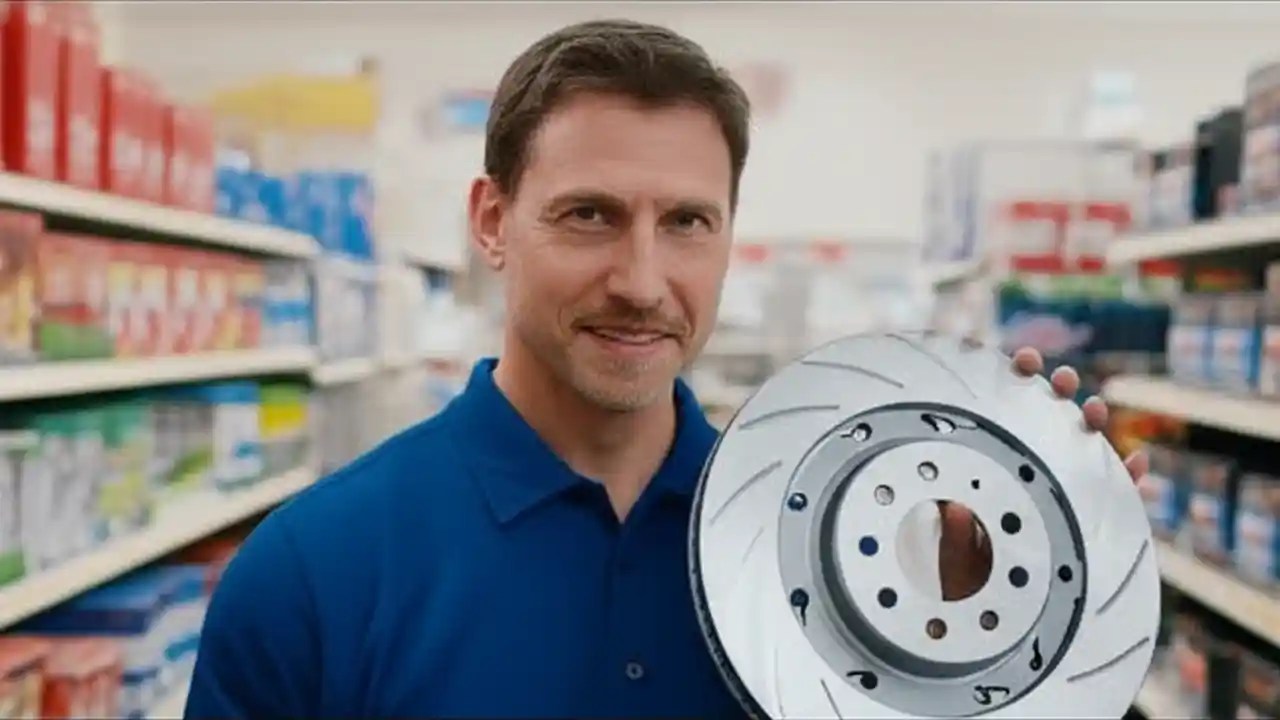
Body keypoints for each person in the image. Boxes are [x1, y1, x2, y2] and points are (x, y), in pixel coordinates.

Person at [183, 18, 1148, 719]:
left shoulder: (828, 563)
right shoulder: (310, 573)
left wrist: (982, 641)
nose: (643, 283)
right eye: (589, 215)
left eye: (687, 222)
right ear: (492, 221)